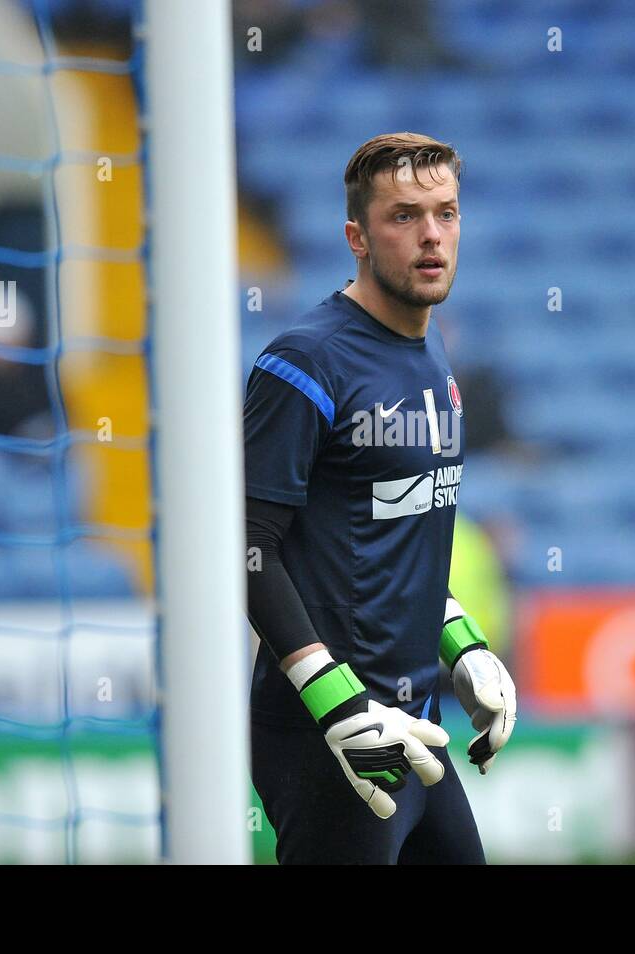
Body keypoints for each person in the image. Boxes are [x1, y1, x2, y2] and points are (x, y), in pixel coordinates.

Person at [242, 133, 516, 864]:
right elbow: (245, 547)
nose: (431, 235)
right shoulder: (303, 363)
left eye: (446, 212)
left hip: (416, 725)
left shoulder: (432, 354)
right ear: (356, 238)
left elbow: (400, 545)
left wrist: (462, 647)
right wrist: (336, 705)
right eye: (404, 216)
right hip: (332, 736)